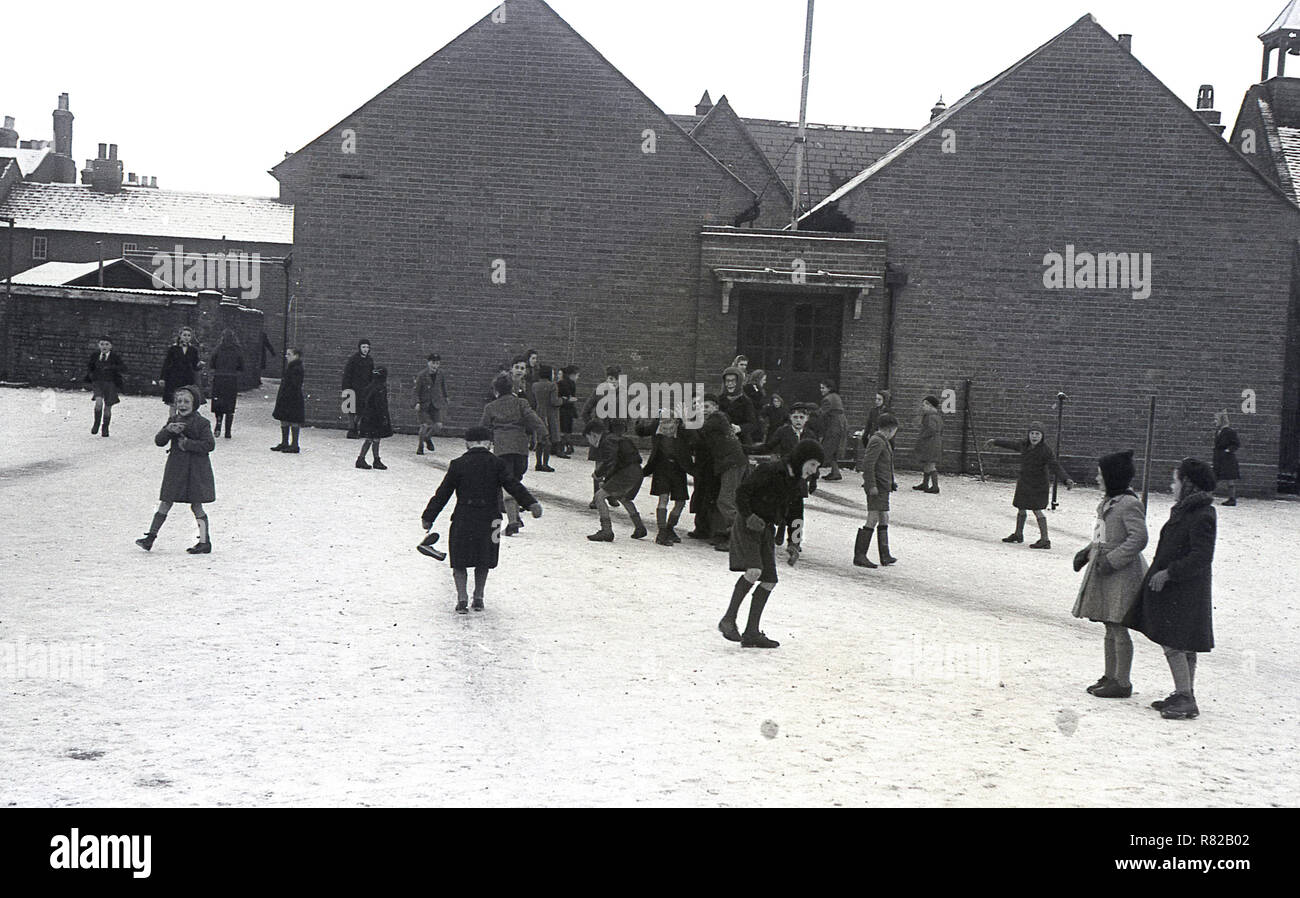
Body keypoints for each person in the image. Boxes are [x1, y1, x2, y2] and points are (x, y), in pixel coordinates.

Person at [1123, 458, 1218, 721]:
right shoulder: (1188, 509)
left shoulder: (1202, 514)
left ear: (1187, 484)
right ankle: (1184, 691)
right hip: (1179, 588)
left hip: (1184, 589)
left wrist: (1169, 573)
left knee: (1175, 642)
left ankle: (1185, 697)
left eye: (1175, 480)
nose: (1171, 486)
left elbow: (1202, 556)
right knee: (1182, 642)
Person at [421, 425, 544, 614]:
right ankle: (478, 597)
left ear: (467, 443)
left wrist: (428, 517)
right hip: (491, 518)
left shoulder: (458, 464)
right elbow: (514, 486)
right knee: (484, 559)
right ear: (489, 443)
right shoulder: (498, 464)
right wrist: (531, 503)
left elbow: (443, 493)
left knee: (459, 559)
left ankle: (462, 598)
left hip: (464, 516)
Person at [718, 439, 825, 649]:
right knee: (754, 571)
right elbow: (742, 492)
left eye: (817, 467)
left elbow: (796, 513)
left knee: (769, 580)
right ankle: (728, 619)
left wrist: (794, 542)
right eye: (812, 464)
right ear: (802, 459)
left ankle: (751, 632)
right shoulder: (770, 470)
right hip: (748, 524)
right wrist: (748, 516)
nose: (814, 470)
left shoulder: (798, 482)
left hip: (766, 529)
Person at [1072, 450, 1148, 699]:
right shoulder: (1107, 502)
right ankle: (1110, 675)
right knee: (1108, 624)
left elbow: (1139, 538)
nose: (1096, 478)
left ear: (1112, 476)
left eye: (1100, 474)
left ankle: (1123, 682)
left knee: (1117, 626)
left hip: (1121, 575)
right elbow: (1100, 536)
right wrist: (1086, 553)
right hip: (1103, 570)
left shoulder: (1130, 504)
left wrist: (1113, 560)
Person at [135, 384, 215, 554]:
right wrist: (167, 430)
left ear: (195, 404)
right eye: (179, 401)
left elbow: (209, 445)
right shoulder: (173, 421)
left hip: (195, 470)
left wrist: (188, 444)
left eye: (186, 401)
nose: (182, 405)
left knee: (196, 505)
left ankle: (204, 541)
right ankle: (150, 538)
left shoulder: (202, 423)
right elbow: (159, 441)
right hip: (176, 468)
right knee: (165, 501)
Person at [986, 421, 1074, 549]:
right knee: (1021, 507)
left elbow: (1055, 466)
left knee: (1036, 510)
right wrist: (995, 441)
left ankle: (1045, 539)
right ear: (1028, 435)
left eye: (1037, 434)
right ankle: (1018, 534)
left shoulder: (1045, 451)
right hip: (1024, 482)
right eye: (1032, 433)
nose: (1034, 436)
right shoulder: (1024, 445)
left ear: (1042, 436)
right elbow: (1011, 444)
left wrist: (1066, 479)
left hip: (1038, 485)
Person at [482, 372, 547, 536]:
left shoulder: (490, 407)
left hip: (503, 449)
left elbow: (483, 428)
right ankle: (516, 516)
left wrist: (483, 444)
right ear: (512, 388)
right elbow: (533, 418)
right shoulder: (521, 403)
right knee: (515, 481)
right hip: (520, 449)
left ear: (496, 390)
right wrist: (544, 433)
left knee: (507, 485)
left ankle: (512, 522)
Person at [700, 394, 749, 551]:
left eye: (706, 407)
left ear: (715, 407)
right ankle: (731, 535)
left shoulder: (717, 417)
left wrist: (683, 420)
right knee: (728, 499)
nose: (703, 410)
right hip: (732, 463)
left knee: (725, 500)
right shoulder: (718, 419)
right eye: (702, 407)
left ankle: (738, 539)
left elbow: (701, 432)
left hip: (732, 464)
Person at [585, 419, 647, 541]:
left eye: (588, 439)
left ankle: (606, 531)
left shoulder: (607, 441)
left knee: (599, 497)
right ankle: (640, 527)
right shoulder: (615, 438)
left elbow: (610, 461)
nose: (590, 443)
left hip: (627, 472)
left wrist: (598, 474)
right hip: (636, 471)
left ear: (594, 435)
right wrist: (608, 479)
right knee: (623, 497)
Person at [854, 413, 900, 568]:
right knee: (873, 518)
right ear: (890, 429)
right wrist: (871, 485)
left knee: (884, 517)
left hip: (883, 486)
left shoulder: (883, 441)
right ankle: (860, 555)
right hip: (877, 488)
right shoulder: (877, 441)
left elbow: (886, 465)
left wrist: (891, 482)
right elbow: (868, 465)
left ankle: (884, 554)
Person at [642, 411, 693, 545]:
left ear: (677, 423)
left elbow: (695, 440)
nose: (666, 427)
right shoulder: (658, 436)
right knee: (663, 499)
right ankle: (662, 531)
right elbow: (641, 431)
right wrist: (643, 472)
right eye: (662, 424)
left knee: (681, 501)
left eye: (669, 423)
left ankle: (670, 527)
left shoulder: (683, 435)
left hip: (678, 471)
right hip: (662, 470)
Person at [85, 336, 126, 438]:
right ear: (99, 345)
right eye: (102, 344)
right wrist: (91, 376)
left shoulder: (115, 357)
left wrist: (112, 368)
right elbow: (90, 367)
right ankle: (96, 424)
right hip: (98, 383)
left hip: (111, 384)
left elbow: (123, 368)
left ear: (111, 346)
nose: (104, 347)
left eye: (107, 344)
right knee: (98, 403)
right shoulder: (95, 356)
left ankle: (105, 427)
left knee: (108, 407)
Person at [208, 329, 245, 439]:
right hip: (231, 380)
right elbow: (241, 366)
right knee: (230, 405)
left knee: (218, 403)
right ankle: (228, 431)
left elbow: (212, 363)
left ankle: (218, 421)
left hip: (219, 378)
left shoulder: (218, 349)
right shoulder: (237, 350)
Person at [356, 367, 394, 470]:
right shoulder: (381, 388)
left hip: (368, 417)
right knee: (374, 439)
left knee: (371, 439)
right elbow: (381, 405)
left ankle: (369, 459)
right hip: (376, 418)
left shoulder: (369, 387)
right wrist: (384, 417)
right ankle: (365, 459)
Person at [413, 354, 450, 455]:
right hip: (424, 403)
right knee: (424, 425)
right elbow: (416, 390)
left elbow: (443, 386)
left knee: (438, 425)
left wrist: (446, 397)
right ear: (428, 363)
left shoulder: (440, 374)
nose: (435, 366)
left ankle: (427, 437)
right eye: (433, 363)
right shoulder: (422, 375)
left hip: (435, 403)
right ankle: (420, 446)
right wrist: (417, 402)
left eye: (437, 363)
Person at [271, 347, 305, 453]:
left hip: (292, 397)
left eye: (289, 354)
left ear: (296, 356)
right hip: (287, 397)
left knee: (293, 419)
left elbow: (295, 384)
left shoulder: (296, 368)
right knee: (285, 419)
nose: (287, 357)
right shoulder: (292, 367)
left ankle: (294, 444)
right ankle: (285, 442)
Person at [531, 364, 562, 472]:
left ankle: (538, 463)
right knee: (548, 440)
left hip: (539, 412)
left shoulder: (535, 385)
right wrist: (562, 400)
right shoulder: (552, 386)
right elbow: (554, 401)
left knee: (540, 440)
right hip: (550, 414)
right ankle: (545, 464)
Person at [341, 339, 374, 438]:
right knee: (351, 410)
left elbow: (371, 375)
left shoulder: (369, 360)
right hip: (353, 388)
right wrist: (346, 388)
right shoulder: (353, 359)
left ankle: (356, 426)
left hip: (364, 389)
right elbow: (347, 374)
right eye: (363, 347)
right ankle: (352, 429)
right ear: (359, 348)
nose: (365, 349)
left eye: (367, 347)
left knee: (362, 410)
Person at [160, 326, 201, 405]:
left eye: (189, 335)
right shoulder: (173, 349)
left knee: (184, 402)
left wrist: (199, 365)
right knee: (173, 403)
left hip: (187, 379)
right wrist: (162, 378)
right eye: (184, 335)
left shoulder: (193, 350)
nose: (186, 337)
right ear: (180, 336)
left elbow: (195, 366)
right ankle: (172, 417)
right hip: (173, 379)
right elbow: (166, 364)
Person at [718, 366, 759, 445]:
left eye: (733, 381)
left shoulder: (746, 402)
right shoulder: (719, 399)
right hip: (722, 441)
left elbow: (752, 424)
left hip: (741, 441)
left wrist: (739, 428)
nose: (730, 384)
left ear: (739, 382)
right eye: (727, 381)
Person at [817, 380, 848, 480]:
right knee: (833, 451)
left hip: (834, 427)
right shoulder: (836, 396)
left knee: (825, 449)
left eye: (823, 388)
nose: (821, 390)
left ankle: (812, 472)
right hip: (841, 425)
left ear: (829, 388)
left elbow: (822, 414)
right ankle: (835, 472)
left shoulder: (827, 399)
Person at [913, 394, 944, 493]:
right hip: (934, 442)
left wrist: (922, 436)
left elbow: (931, 429)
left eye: (924, 405)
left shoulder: (930, 417)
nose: (923, 407)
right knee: (927, 463)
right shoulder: (937, 416)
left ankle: (935, 486)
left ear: (930, 405)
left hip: (930, 443)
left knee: (930, 464)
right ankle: (925, 484)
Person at [1212, 410, 1240, 507]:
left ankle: (1232, 498)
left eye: (1216, 419)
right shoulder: (1218, 432)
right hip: (1219, 458)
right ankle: (1208, 495)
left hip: (1228, 460)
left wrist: (1228, 450)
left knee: (1229, 479)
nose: (1214, 422)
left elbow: (1236, 444)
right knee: (1215, 477)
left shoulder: (1229, 431)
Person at [556, 365, 581, 458]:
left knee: (564, 429)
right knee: (566, 429)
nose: (577, 377)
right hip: (567, 409)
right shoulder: (570, 384)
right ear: (572, 375)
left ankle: (564, 447)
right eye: (577, 375)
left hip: (563, 408)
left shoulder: (561, 383)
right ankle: (565, 447)